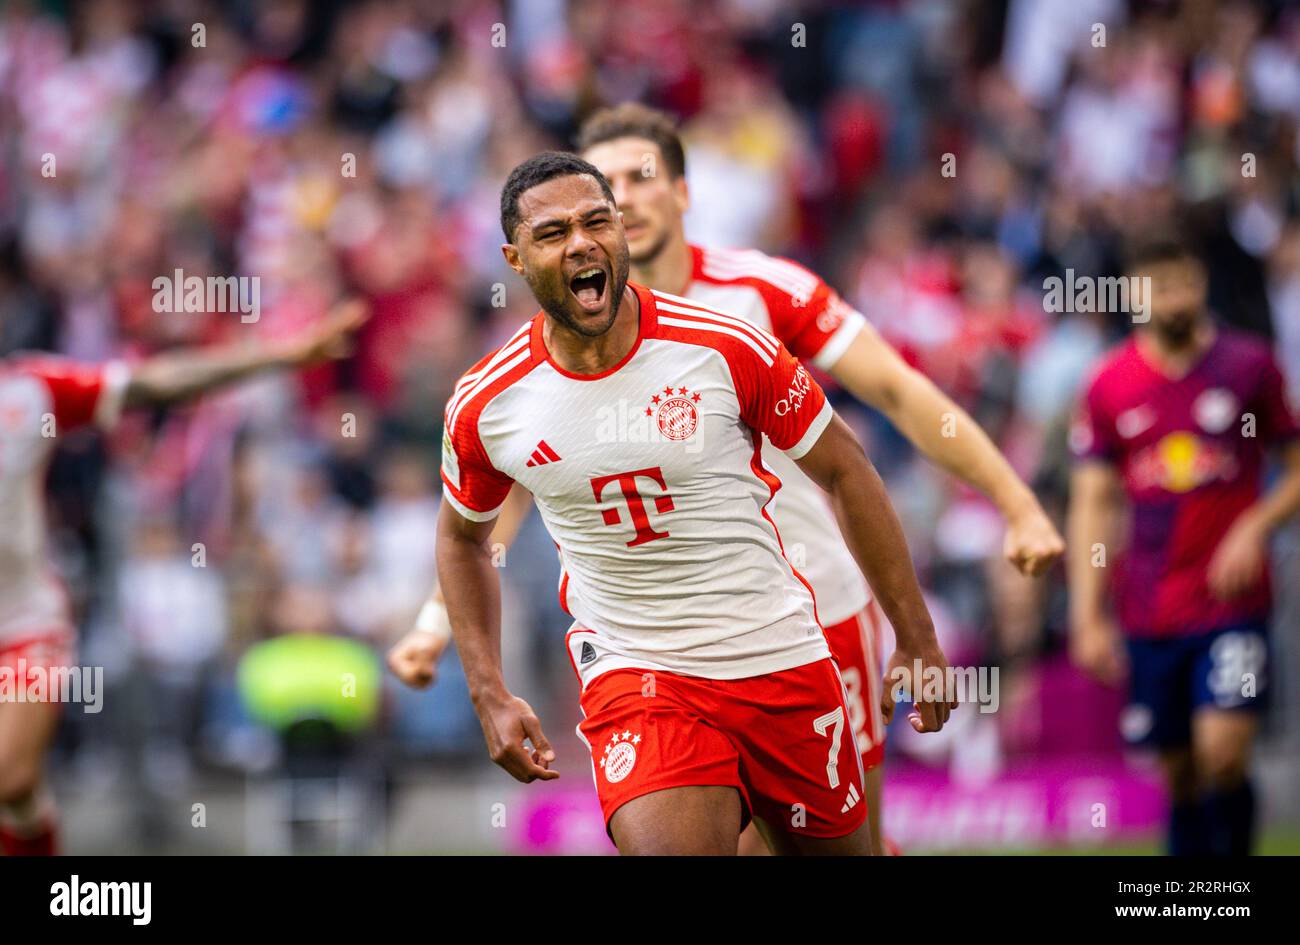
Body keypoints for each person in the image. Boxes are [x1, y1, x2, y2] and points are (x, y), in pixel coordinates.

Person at [390, 104, 1064, 854]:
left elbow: (890, 412)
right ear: (515, 257)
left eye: (627, 188)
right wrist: (445, 640)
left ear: (679, 193)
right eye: (557, 226)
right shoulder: (496, 397)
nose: (594, 227)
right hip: (638, 666)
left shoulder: (749, 311)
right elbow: (489, 514)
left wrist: (1012, 509)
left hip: (807, 614)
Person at [0, 300, 367, 855]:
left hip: (23, 624)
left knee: (12, 780)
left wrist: (279, 355)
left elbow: (158, 382)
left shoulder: (27, 394)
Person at [1068, 241, 1300, 856]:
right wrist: (1088, 614)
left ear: (1201, 283)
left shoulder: (1252, 367)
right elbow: (1094, 501)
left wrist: (1255, 524)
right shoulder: (1109, 384)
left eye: (1183, 282)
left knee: (1222, 753)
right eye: (1157, 285)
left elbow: (1296, 468)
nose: (1172, 297)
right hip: (1149, 607)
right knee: (1179, 771)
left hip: (1232, 604)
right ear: (1133, 294)